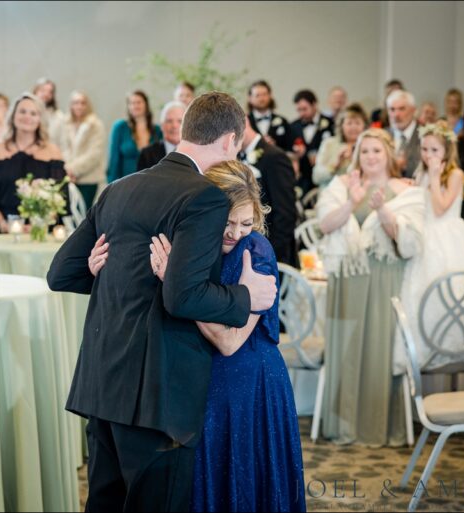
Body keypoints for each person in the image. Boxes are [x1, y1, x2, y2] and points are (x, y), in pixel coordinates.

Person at [46, 92, 278, 512]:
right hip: (158, 395)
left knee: (105, 504)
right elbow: (182, 296)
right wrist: (247, 295)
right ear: (229, 141)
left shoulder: (118, 188)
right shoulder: (204, 197)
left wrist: (101, 272)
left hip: (103, 383)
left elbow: (61, 272)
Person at [90, 161, 305, 511]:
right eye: (228, 222)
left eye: (246, 223)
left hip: (248, 386)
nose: (235, 233)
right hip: (200, 383)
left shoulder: (256, 252)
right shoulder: (193, 246)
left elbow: (230, 341)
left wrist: (172, 282)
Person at [317, 128, 424, 447]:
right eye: (365, 151)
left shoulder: (406, 190)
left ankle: (379, 426)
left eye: (377, 151)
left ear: (389, 155)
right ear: (357, 155)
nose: (371, 157)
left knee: (379, 346)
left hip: (384, 278)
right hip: (347, 278)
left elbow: (409, 242)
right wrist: (352, 202)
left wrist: (382, 209)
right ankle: (344, 425)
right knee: (346, 349)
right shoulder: (342, 185)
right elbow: (324, 224)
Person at [397, 121, 464, 376]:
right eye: (424, 149)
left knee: (452, 292)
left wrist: (434, 177)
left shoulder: (456, 174)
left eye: (434, 150)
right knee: (420, 292)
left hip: (449, 238)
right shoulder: (422, 173)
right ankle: (425, 351)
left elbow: (441, 207)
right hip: (426, 237)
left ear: (446, 150)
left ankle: (455, 349)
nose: (428, 155)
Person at [0, 93, 67, 232]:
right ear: (13, 116)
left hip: (42, 229)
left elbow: (60, 196)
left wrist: (39, 224)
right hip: (3, 228)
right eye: (22, 111)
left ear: (40, 119)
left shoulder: (52, 152)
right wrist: (4, 224)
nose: (27, 117)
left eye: (33, 113)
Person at [240, 117, 299, 268]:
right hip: (247, 249)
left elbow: (286, 213)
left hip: (272, 254)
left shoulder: (275, 157)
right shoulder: (238, 157)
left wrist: (268, 254)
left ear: (244, 123)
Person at [60, 90, 107, 208]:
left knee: (83, 215)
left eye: (82, 103)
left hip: (88, 179)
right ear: (71, 105)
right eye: (76, 103)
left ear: (87, 105)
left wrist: (74, 170)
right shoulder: (66, 124)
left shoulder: (95, 124)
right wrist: (67, 171)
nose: (79, 106)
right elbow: (64, 149)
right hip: (69, 179)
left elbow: (94, 154)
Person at [106, 90, 162, 183]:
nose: (135, 106)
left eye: (139, 102)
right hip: (125, 183)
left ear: (146, 104)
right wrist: (112, 184)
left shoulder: (157, 130)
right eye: (132, 103)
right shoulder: (120, 127)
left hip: (151, 183)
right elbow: (114, 161)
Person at [290, 89, 335, 194]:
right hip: (303, 178)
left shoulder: (329, 123)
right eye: (299, 110)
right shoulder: (293, 126)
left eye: (305, 109)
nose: (302, 113)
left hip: (325, 177)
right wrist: (296, 155)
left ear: (314, 104)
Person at [313, 103, 368, 188]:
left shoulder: (368, 146)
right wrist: (336, 165)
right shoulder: (329, 143)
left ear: (364, 126)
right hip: (331, 193)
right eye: (349, 123)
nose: (353, 127)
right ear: (341, 125)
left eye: (357, 123)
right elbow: (316, 177)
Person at [136, 100, 185, 170]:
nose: (174, 126)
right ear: (162, 125)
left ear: (187, 126)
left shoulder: (195, 154)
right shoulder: (147, 154)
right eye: (169, 121)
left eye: (180, 121)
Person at [246, 79, 292, 152]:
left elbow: (290, 148)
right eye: (257, 95)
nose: (262, 98)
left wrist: (275, 148)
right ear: (250, 98)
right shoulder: (244, 122)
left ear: (270, 96)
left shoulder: (283, 121)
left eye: (264, 94)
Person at [386, 90, 420, 178]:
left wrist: (405, 167)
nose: (396, 114)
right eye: (392, 109)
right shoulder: (382, 136)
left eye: (401, 109)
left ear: (413, 110)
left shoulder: (425, 136)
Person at [33, 77, 66, 150]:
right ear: (35, 91)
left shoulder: (59, 117)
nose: (46, 94)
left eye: (50, 92)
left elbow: (63, 143)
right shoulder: (25, 113)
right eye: (43, 90)